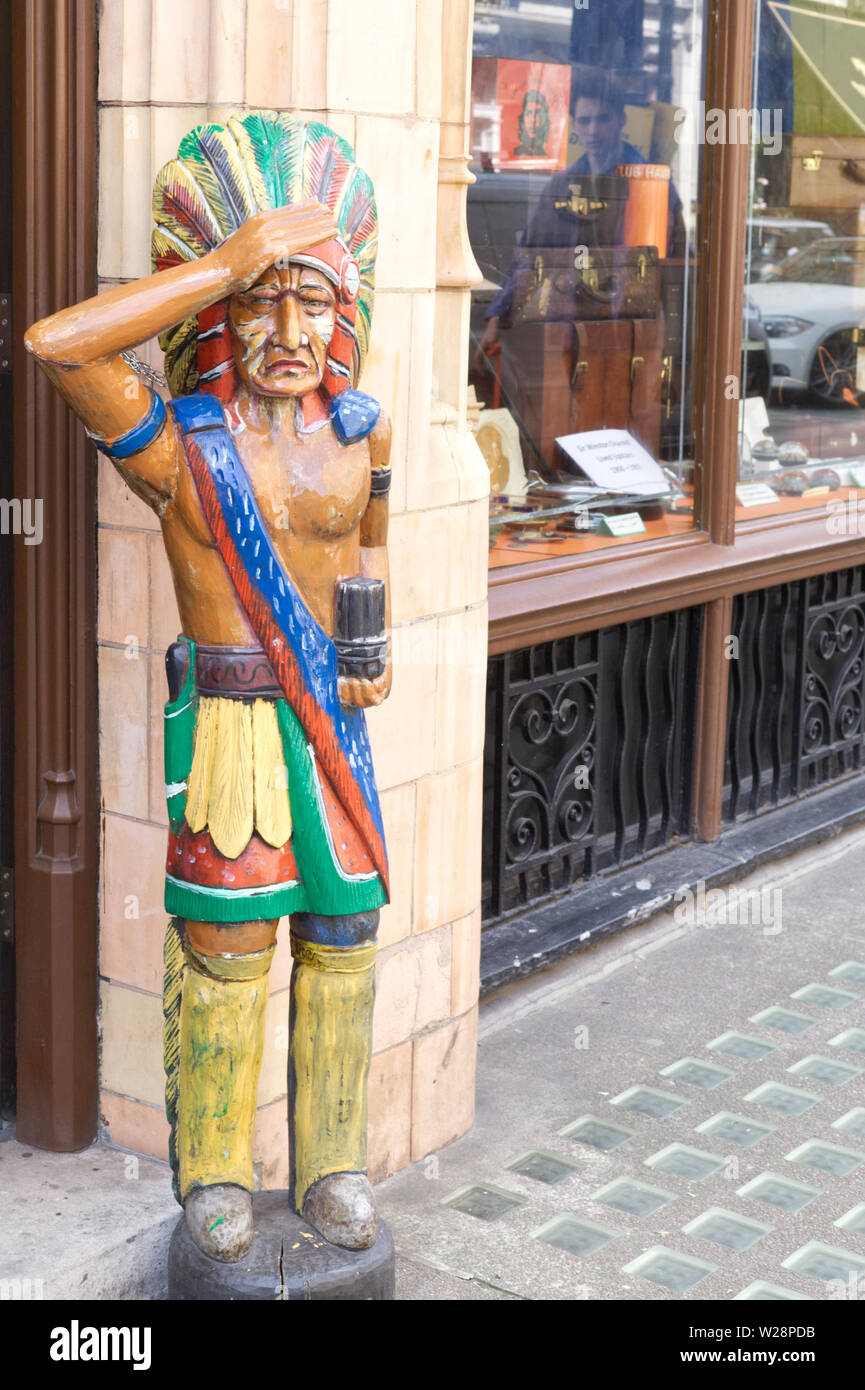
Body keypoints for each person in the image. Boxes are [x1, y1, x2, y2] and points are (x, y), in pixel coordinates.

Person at [25, 113, 392, 1264]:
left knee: (344, 935)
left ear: (348, 313)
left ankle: (333, 1160)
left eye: (314, 301)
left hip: (331, 719)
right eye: (262, 301)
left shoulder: (359, 433)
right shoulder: (181, 449)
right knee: (228, 951)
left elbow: (369, 551)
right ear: (223, 315)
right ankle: (216, 1175)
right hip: (233, 721)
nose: (289, 328)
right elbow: (60, 346)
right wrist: (215, 264)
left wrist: (377, 639)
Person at [477, 71, 685, 367]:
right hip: (568, 334)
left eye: (602, 119)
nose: (593, 130)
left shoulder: (649, 181)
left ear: (621, 120)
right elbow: (528, 254)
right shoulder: (561, 185)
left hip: (633, 332)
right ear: (575, 124)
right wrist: (497, 315)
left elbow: (675, 265)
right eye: (585, 121)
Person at [513, 89, 551, 157]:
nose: (533, 120)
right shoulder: (513, 154)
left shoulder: (549, 155)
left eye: (538, 113)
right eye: (528, 113)